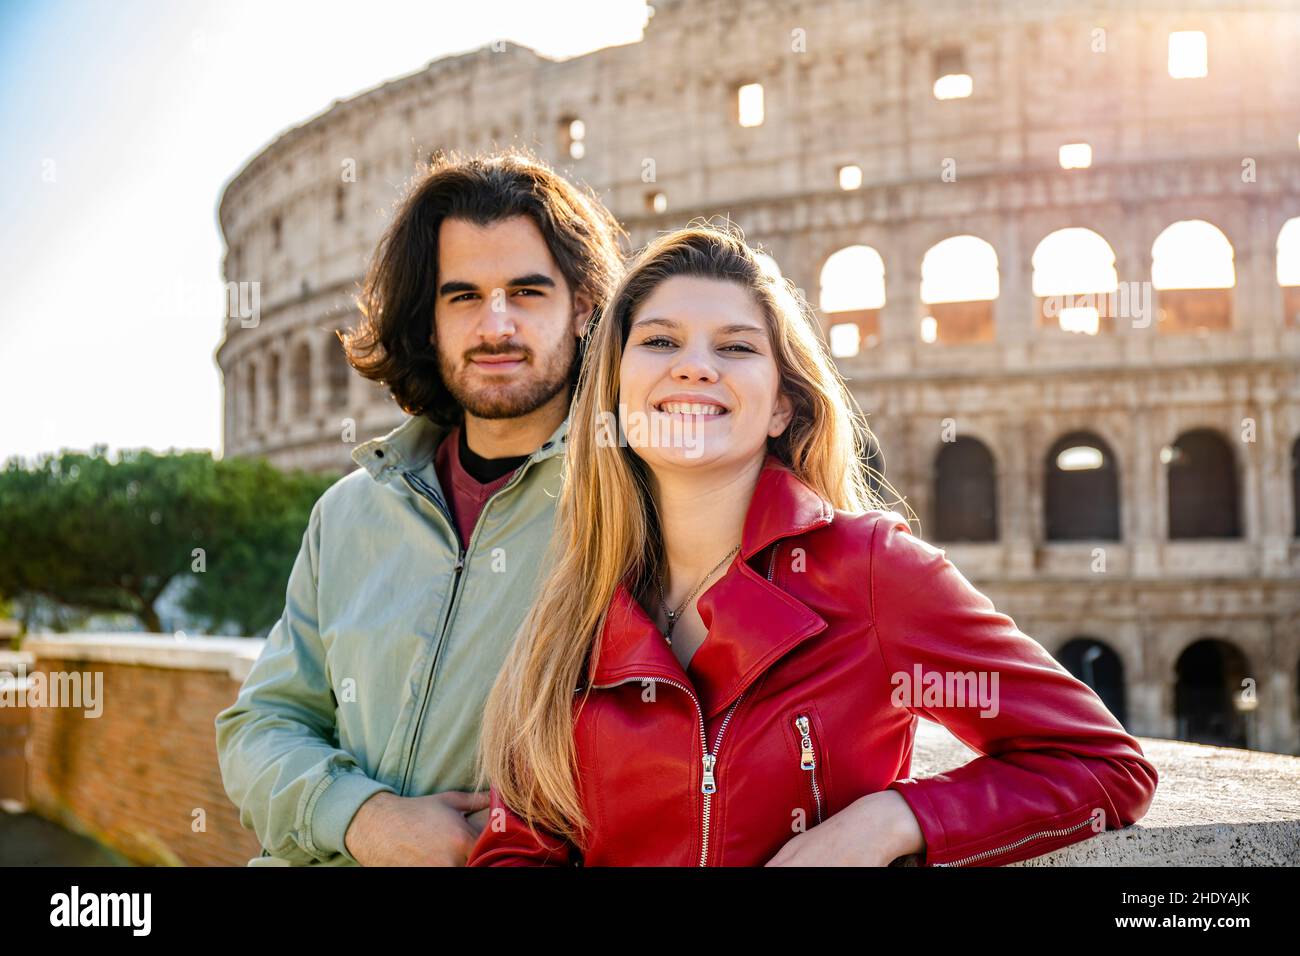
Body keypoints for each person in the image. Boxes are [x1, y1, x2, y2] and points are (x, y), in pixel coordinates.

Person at [467, 222, 1158, 867]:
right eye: (659, 341)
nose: (694, 367)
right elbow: (520, 842)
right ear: (615, 394)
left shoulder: (870, 572)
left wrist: (891, 820)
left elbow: (1103, 766)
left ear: (781, 406)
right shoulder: (576, 600)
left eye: (735, 347)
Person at [214, 150, 625, 866]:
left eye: (527, 292)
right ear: (427, 319)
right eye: (462, 296)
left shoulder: (637, 505)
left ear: (584, 304)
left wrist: (895, 810)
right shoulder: (347, 513)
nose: (496, 326)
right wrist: (364, 818)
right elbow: (262, 724)